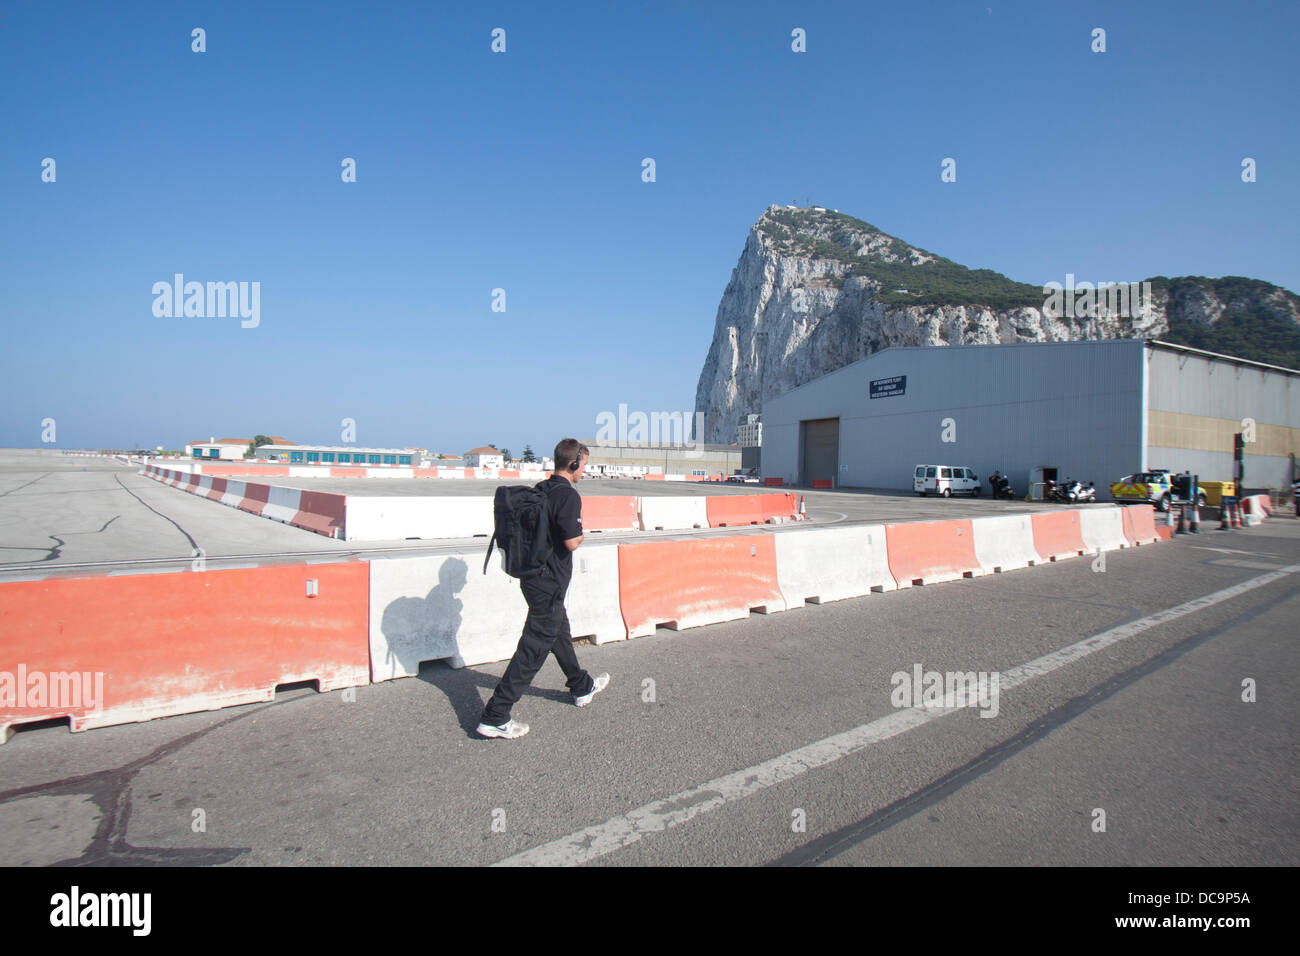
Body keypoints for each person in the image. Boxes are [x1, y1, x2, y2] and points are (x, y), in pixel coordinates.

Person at [477, 438, 609, 739]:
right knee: (534, 646)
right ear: (573, 463)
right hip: (548, 583)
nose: (585, 471)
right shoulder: (568, 497)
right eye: (584, 464)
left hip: (533, 578)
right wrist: (583, 533)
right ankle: (496, 714)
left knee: (559, 633)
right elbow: (572, 542)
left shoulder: (542, 488)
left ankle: (581, 686)